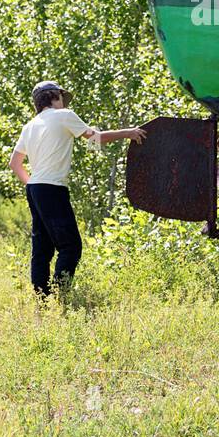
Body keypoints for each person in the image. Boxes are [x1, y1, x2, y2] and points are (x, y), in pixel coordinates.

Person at [8, 81, 145, 295]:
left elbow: (15, 164)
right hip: (52, 188)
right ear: (54, 96)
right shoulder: (64, 115)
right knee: (71, 247)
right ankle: (61, 294)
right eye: (62, 97)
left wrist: (35, 187)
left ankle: (42, 299)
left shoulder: (30, 125)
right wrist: (127, 133)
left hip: (35, 188)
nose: (64, 102)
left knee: (42, 248)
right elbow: (95, 139)